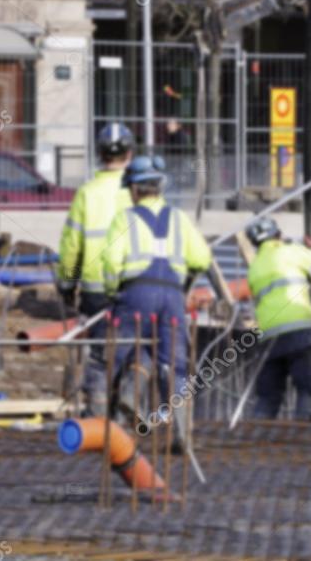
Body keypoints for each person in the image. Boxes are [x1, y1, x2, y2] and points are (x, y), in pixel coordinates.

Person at [102, 155, 211, 449]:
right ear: (160, 188)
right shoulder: (179, 219)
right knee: (173, 363)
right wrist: (185, 284)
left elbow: (111, 262)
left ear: (134, 190)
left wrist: (112, 291)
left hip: (136, 294)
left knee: (127, 352)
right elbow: (202, 258)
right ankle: (182, 434)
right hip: (172, 297)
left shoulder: (124, 220)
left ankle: (127, 397)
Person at [57, 123, 134, 416]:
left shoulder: (86, 194)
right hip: (130, 289)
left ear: (99, 154)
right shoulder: (137, 191)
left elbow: (71, 246)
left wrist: (66, 284)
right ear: (130, 153)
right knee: (133, 349)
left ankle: (98, 416)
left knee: (100, 356)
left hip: (95, 291)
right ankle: (126, 411)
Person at [245, 217, 311, 420]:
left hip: (269, 336)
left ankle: (259, 438)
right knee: (307, 388)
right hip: (300, 330)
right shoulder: (291, 251)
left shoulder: (254, 267)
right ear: (278, 234)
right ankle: (303, 435)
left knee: (268, 395)